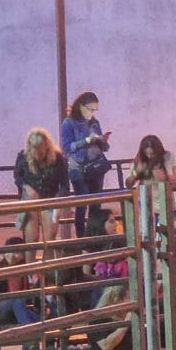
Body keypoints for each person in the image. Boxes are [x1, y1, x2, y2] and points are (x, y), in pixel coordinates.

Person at [61, 92, 113, 233]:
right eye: (90, 109)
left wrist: (103, 142)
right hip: (78, 167)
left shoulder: (95, 123)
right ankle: (81, 238)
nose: (92, 113)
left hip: (96, 165)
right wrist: (86, 141)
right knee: (82, 203)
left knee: (96, 204)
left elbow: (103, 147)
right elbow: (66, 147)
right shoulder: (69, 123)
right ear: (81, 106)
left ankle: (94, 235)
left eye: (95, 110)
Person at [12, 127, 70, 244]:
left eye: (41, 153)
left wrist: (58, 200)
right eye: (34, 152)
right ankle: (31, 261)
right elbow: (18, 177)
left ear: (47, 147)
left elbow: (64, 183)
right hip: (30, 201)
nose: (38, 156)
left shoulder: (57, 158)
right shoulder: (23, 157)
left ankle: (47, 261)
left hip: (50, 200)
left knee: (49, 240)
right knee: (31, 240)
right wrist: (26, 187)